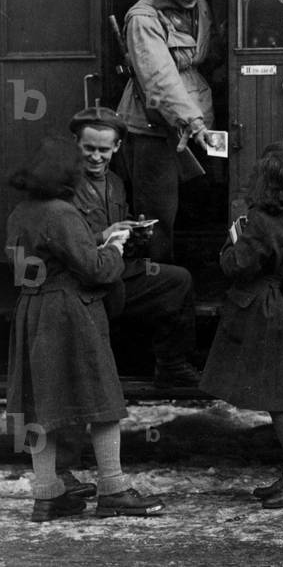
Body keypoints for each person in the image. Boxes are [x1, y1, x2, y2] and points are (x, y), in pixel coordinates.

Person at [5, 137, 164, 521]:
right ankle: (113, 488)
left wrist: (95, 242)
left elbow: (48, 256)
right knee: (102, 399)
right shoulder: (63, 212)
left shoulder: (20, 213)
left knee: (39, 404)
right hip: (70, 312)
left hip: (33, 309)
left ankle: (47, 494)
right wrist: (115, 247)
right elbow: (95, 270)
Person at [200, 144, 283, 509]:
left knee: (280, 397)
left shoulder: (258, 221)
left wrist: (231, 243)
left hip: (268, 309)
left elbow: (237, 266)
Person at [68, 106, 199, 387]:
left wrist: (134, 232)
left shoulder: (114, 183)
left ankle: (171, 364)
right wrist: (104, 235)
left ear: (116, 147)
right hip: (81, 279)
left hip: (113, 271)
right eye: (88, 148)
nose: (95, 156)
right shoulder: (65, 185)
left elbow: (116, 224)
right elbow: (62, 242)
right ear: (76, 143)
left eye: (103, 150)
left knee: (178, 281)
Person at [117, 0, 220, 262]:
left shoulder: (200, 6)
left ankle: (185, 279)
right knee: (158, 214)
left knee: (195, 204)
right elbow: (160, 80)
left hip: (193, 119)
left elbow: (209, 51)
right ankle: (158, 284)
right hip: (154, 124)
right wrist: (194, 123)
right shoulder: (143, 18)